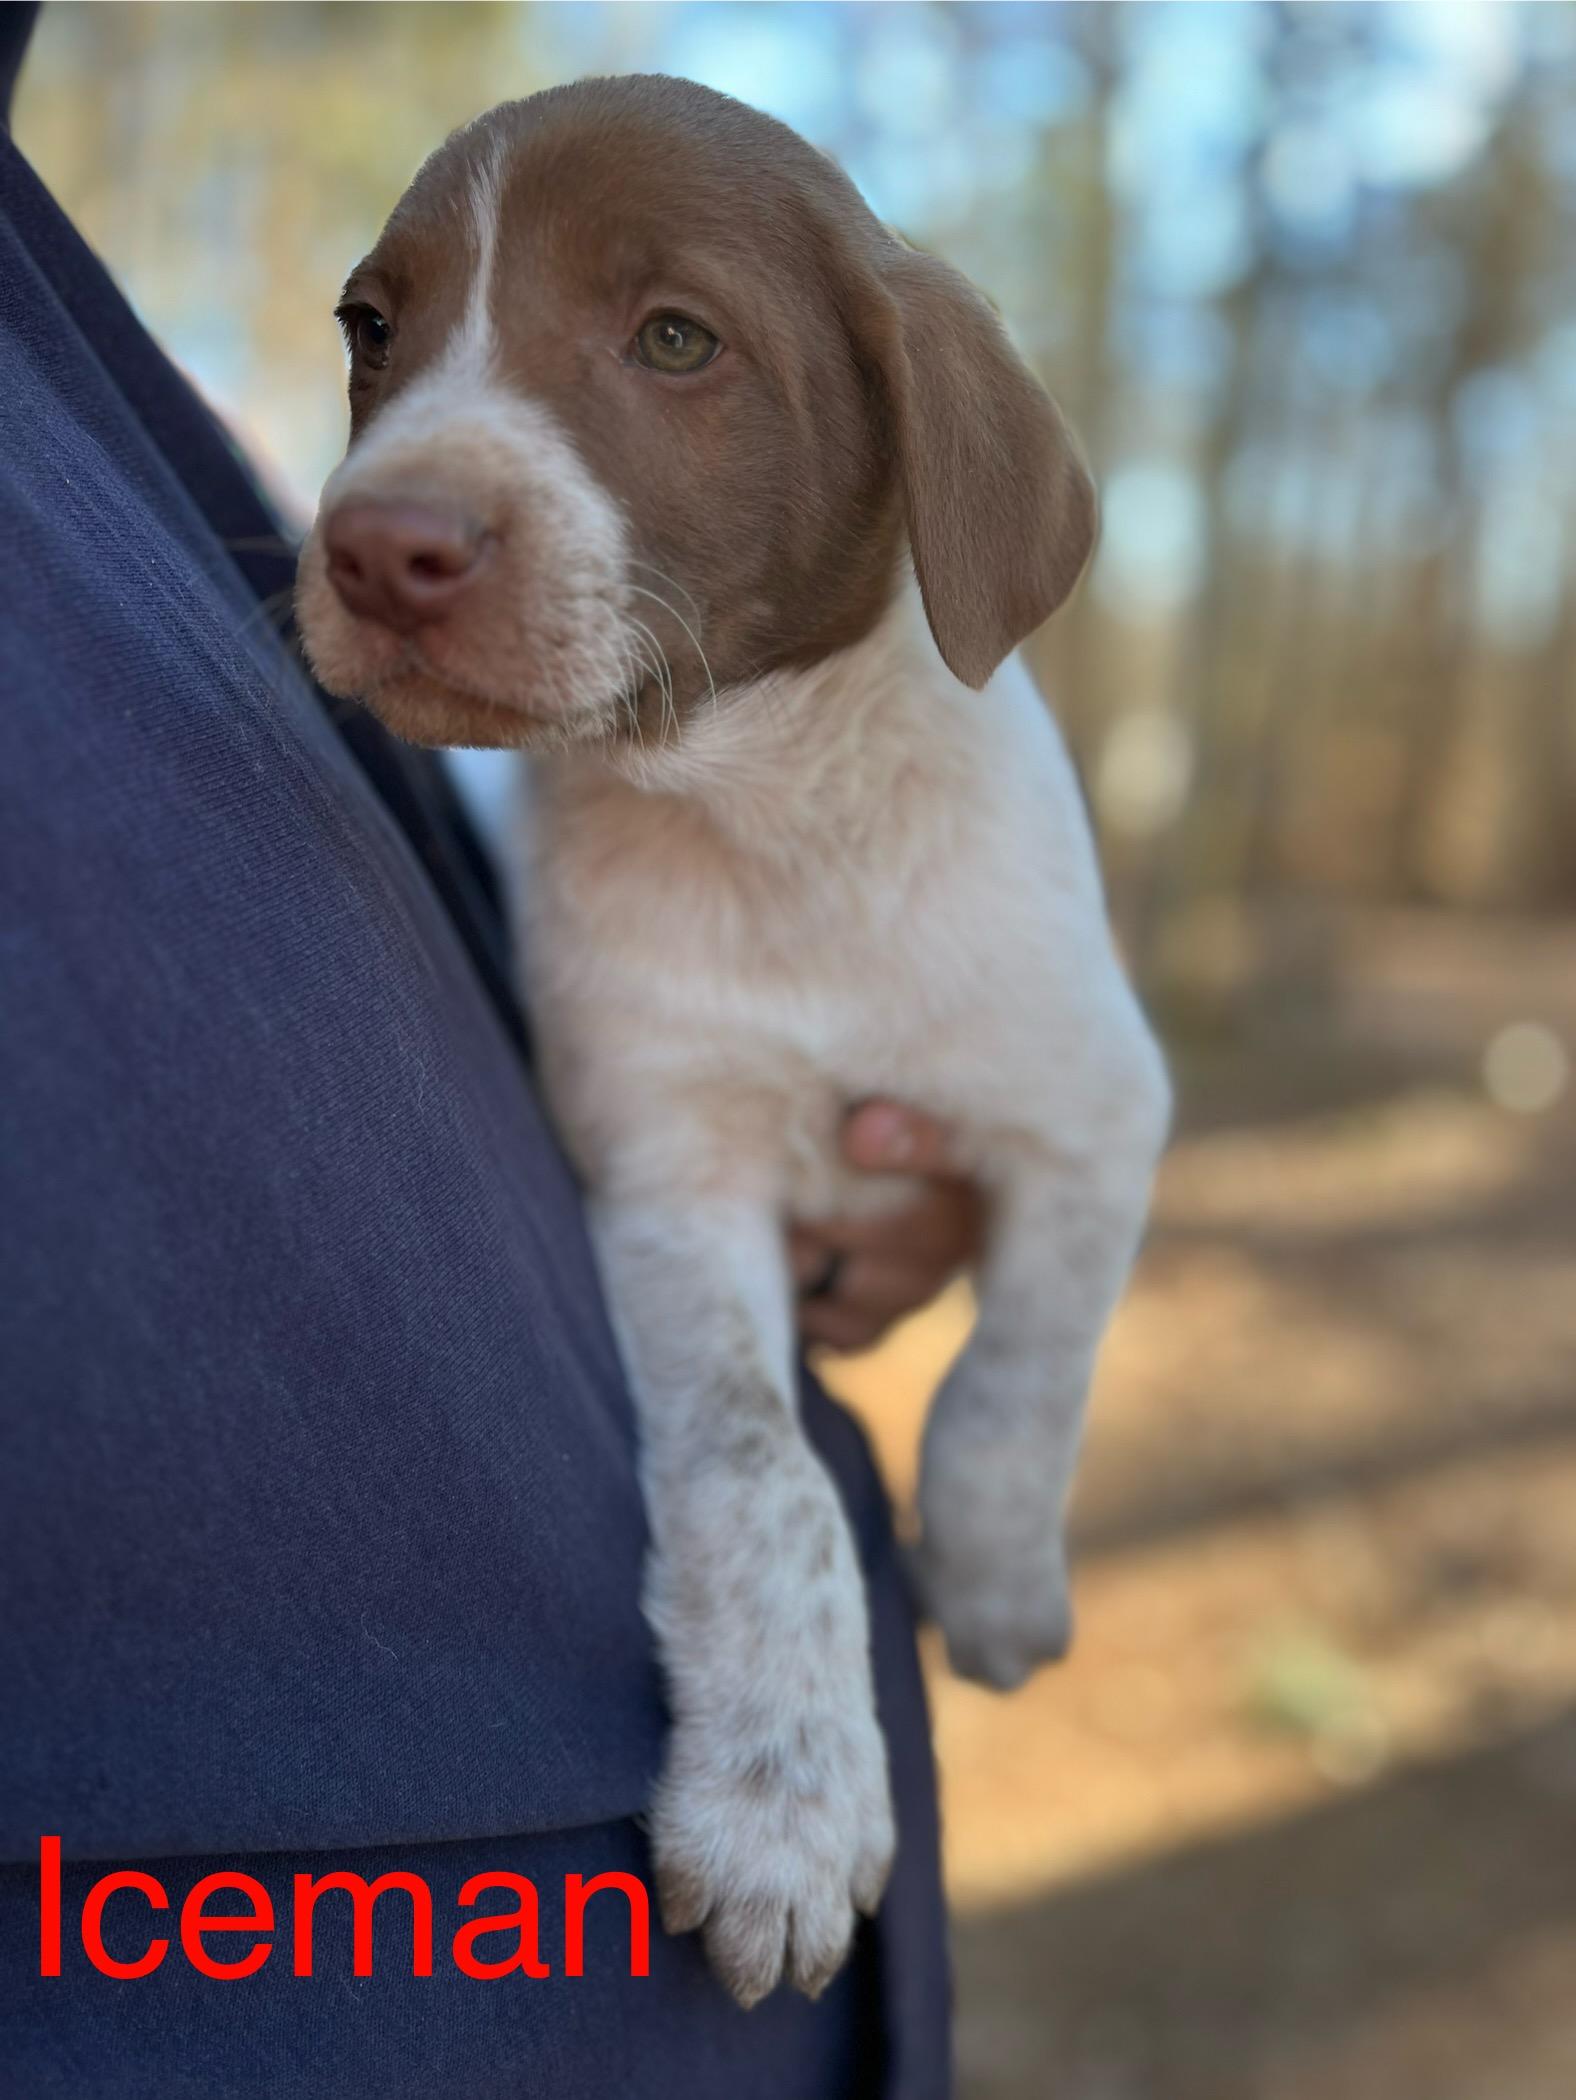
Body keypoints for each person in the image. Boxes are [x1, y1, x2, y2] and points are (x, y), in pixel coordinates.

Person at [0, 7, 978, 2091]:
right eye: (381, 329)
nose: (385, 486)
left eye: (666, 340)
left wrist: (767, 1155)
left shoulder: (89, 391)